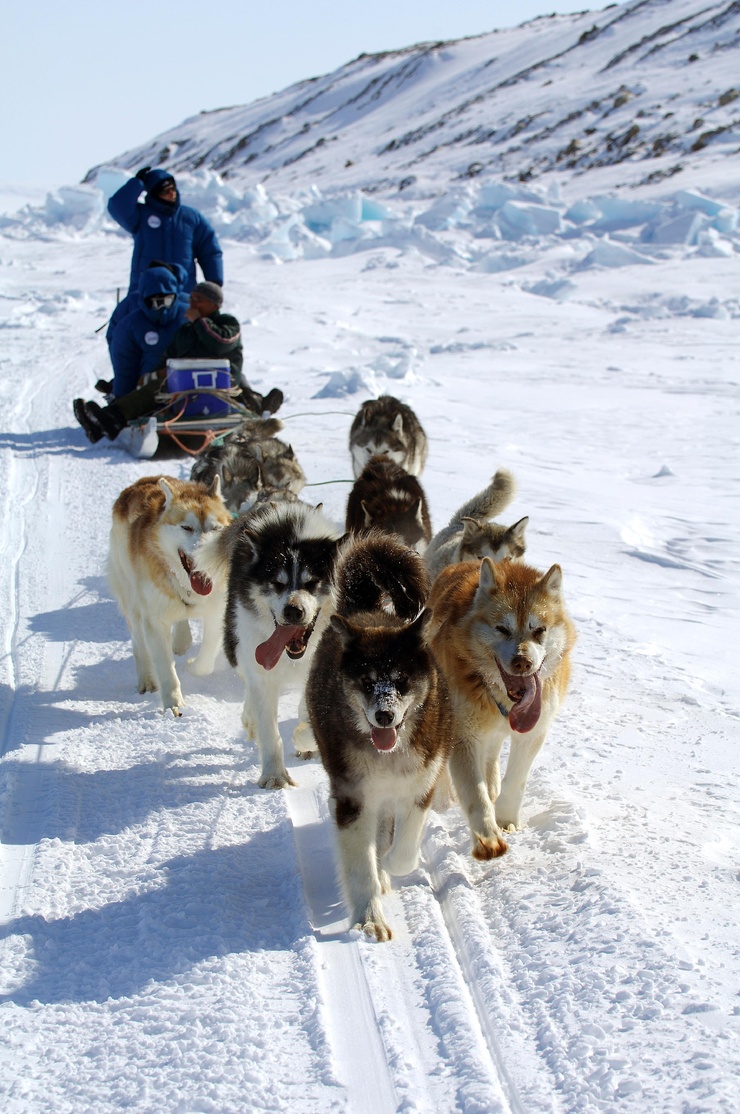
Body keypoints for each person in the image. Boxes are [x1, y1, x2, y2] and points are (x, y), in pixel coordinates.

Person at [74, 282, 283, 443]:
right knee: (156, 388)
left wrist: (200, 321)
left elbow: (221, 343)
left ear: (214, 304)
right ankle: (108, 420)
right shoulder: (184, 331)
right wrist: (152, 375)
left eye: (198, 299)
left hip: (224, 386)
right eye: (191, 298)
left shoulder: (227, 323)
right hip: (185, 388)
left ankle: (259, 406)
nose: (191, 303)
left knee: (243, 393)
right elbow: (168, 359)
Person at [106, 167, 223, 344]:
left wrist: (214, 283)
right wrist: (137, 184)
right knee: (140, 335)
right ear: (153, 193)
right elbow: (117, 206)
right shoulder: (140, 216)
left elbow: (209, 250)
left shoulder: (191, 217)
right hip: (145, 290)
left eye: (173, 189)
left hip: (183, 290)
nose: (171, 194)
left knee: (186, 337)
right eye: (165, 191)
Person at [108, 262, 190, 398]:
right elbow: (125, 369)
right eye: (155, 303)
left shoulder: (190, 315)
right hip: (149, 390)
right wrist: (121, 398)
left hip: (189, 385)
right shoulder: (130, 325)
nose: (162, 308)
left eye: (168, 301)